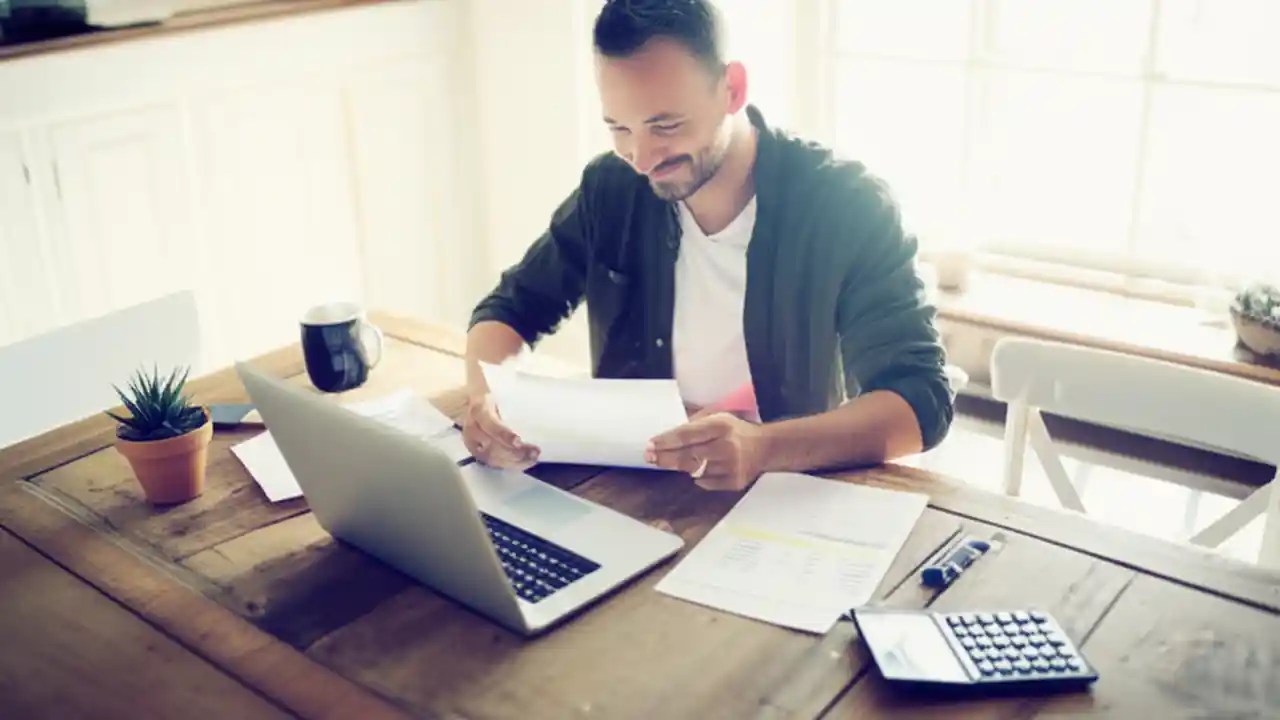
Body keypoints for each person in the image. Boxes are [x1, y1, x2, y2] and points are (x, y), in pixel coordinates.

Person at [463, 0, 954, 491]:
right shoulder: (610, 189)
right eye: (619, 128)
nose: (640, 157)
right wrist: (487, 403)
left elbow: (920, 401)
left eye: (665, 126)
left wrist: (762, 447)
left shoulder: (846, 205)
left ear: (732, 89)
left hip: (789, 494)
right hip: (634, 489)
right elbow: (508, 310)